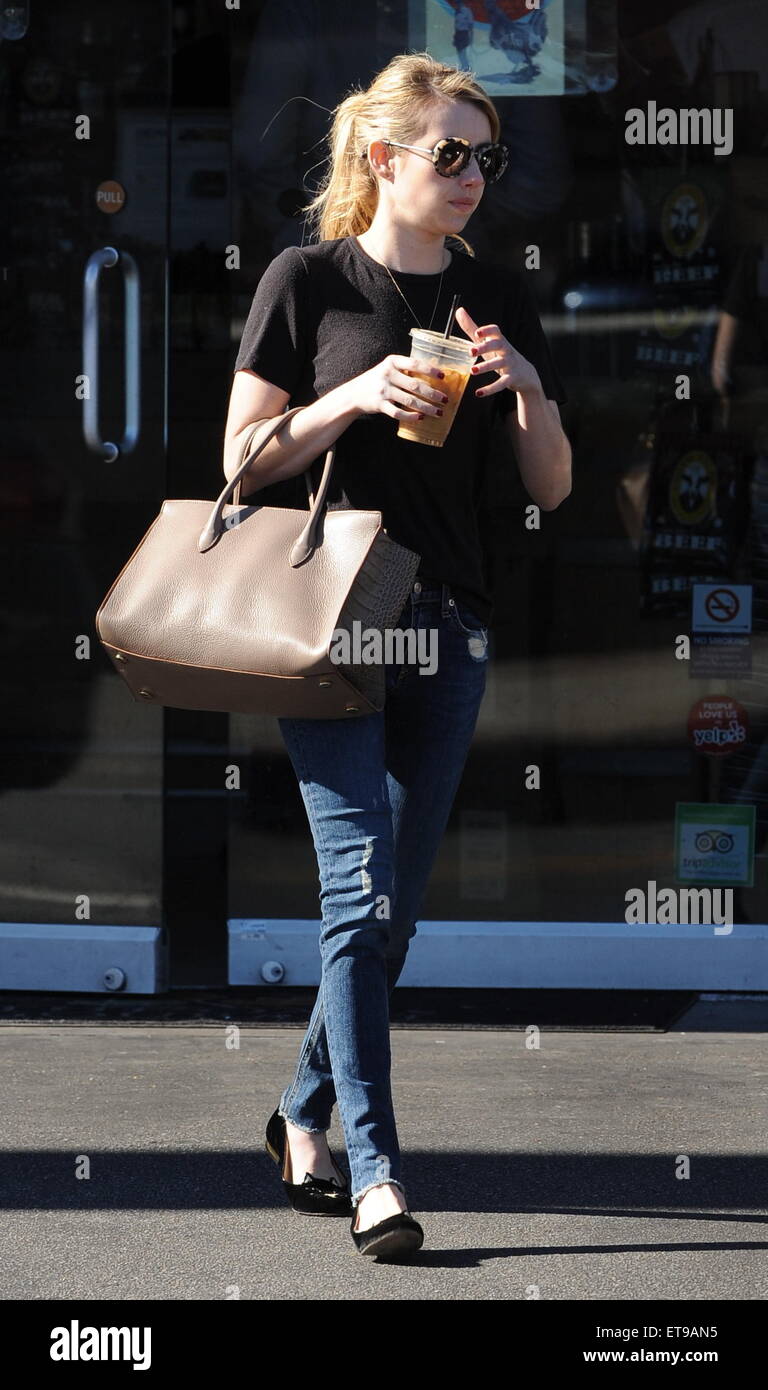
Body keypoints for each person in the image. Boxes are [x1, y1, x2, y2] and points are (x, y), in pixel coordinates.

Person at [223, 51, 571, 1261]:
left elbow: (554, 485)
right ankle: (377, 1171)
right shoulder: (308, 279)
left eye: (488, 156)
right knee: (355, 889)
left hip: (450, 623)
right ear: (382, 158)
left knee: (392, 912)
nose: (474, 175)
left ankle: (301, 1115)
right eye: (450, 152)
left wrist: (526, 388)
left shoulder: (493, 294)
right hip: (330, 621)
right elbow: (241, 459)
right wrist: (357, 393)